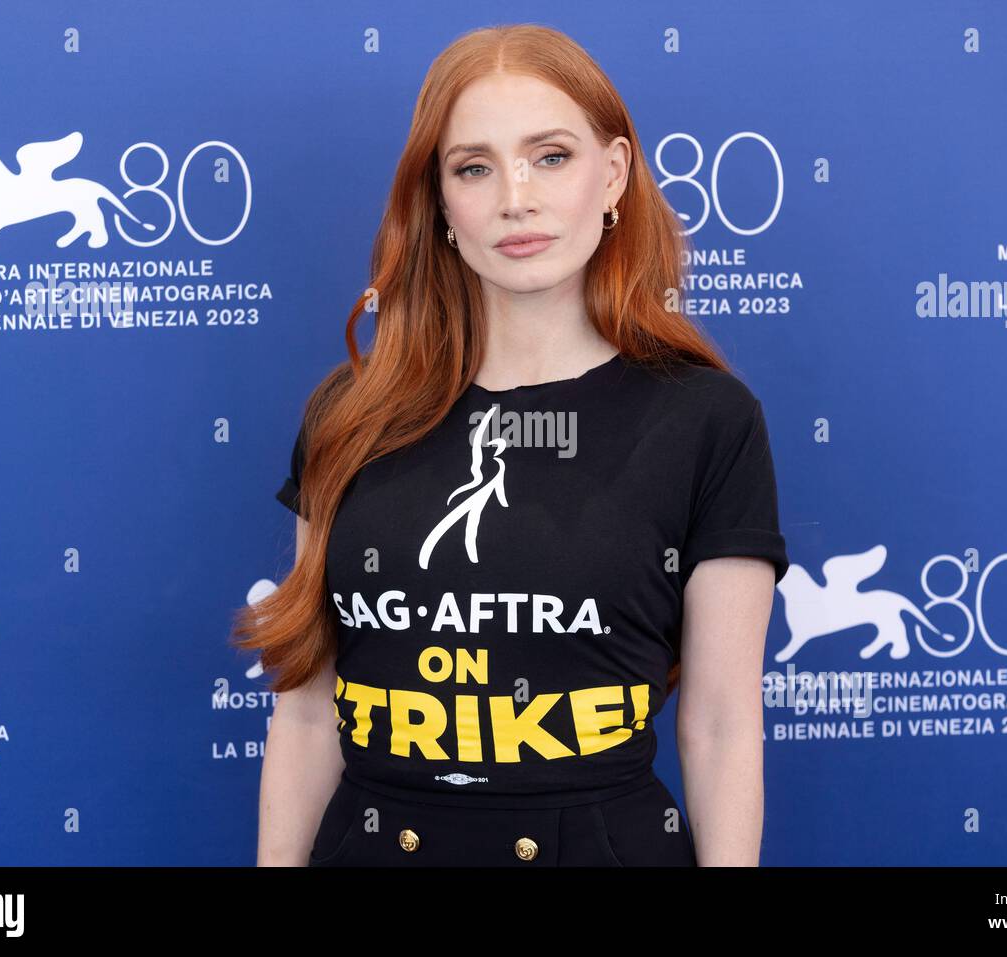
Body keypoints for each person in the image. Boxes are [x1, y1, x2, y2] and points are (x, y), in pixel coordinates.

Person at [231, 23, 788, 867]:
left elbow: (719, 726)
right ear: (439, 201)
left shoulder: (708, 420)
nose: (514, 198)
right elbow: (309, 715)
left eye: (550, 156)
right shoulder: (349, 415)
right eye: (474, 167)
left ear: (614, 174)